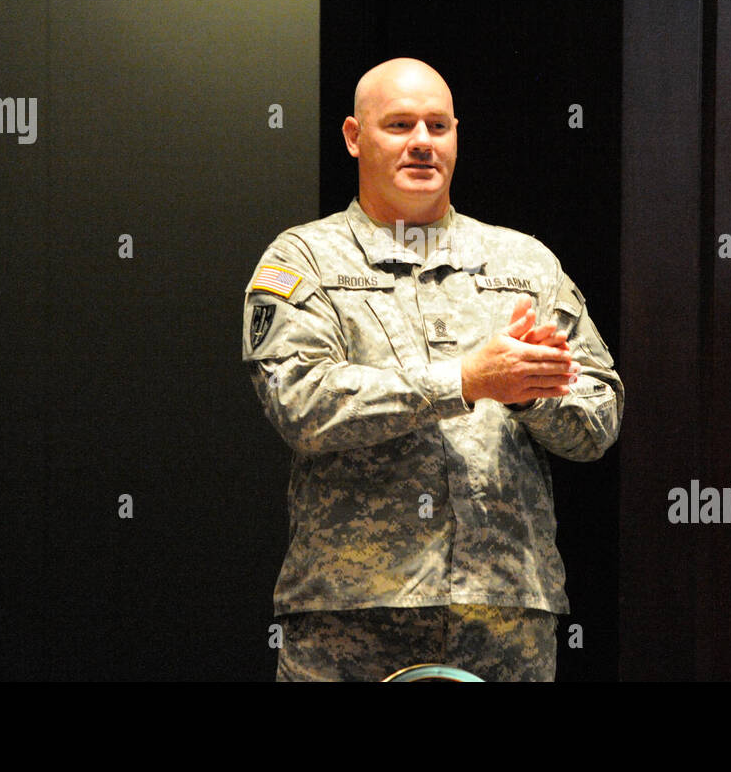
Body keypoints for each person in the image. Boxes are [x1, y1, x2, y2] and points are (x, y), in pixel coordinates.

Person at [242, 57, 623, 681]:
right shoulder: (304, 259)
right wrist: (464, 381)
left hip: (505, 615)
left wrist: (530, 396)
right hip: (354, 619)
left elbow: (599, 419)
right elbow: (301, 404)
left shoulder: (524, 263)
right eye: (398, 125)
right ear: (353, 136)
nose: (422, 142)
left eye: (438, 126)